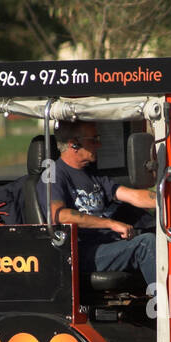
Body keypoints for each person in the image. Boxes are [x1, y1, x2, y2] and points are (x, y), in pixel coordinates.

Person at [46, 121, 156, 282]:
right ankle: (167, 305)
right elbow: (59, 215)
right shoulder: (54, 176)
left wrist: (165, 201)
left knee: (157, 236)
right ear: (74, 144)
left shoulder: (92, 175)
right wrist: (111, 224)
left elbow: (132, 196)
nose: (99, 144)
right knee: (145, 244)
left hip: (106, 244)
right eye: (93, 139)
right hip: (82, 252)